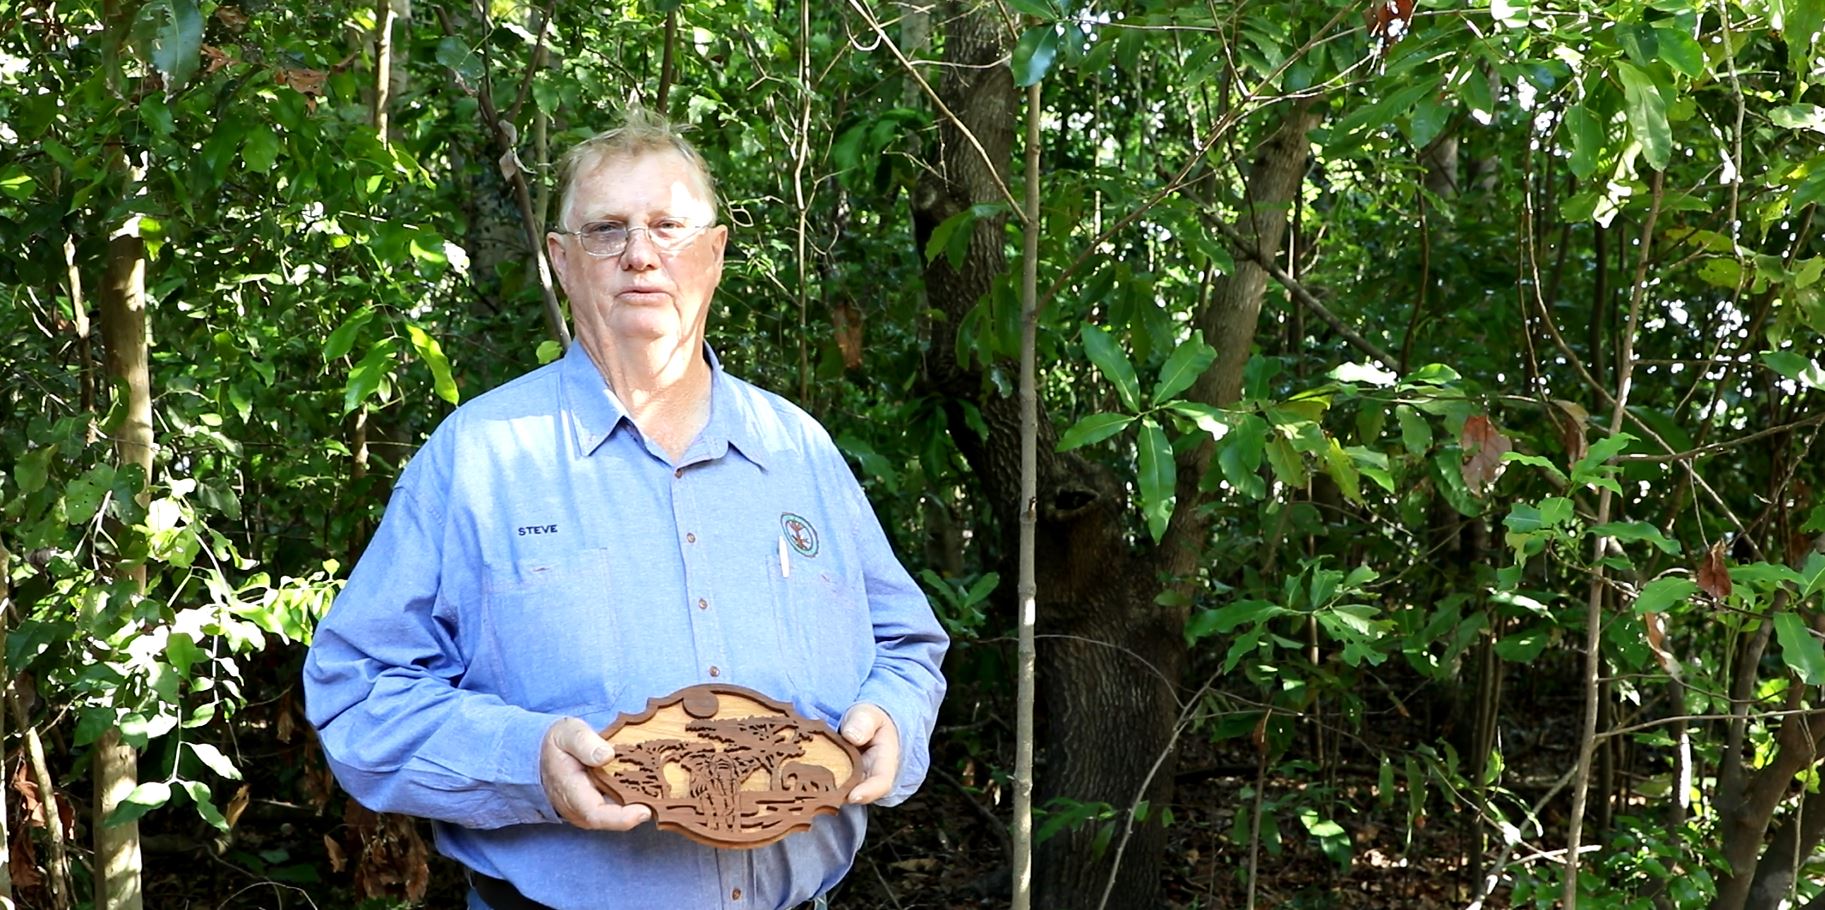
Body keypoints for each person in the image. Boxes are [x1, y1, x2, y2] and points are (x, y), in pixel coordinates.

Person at [302, 108, 949, 910]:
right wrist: (524, 758)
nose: (640, 254)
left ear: (712, 256)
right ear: (563, 263)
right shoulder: (481, 457)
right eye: (607, 230)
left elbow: (906, 643)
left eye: (669, 226)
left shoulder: (799, 451)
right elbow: (356, 690)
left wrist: (891, 716)